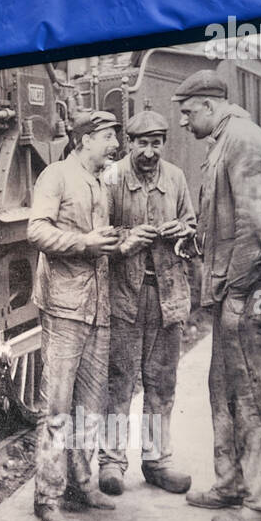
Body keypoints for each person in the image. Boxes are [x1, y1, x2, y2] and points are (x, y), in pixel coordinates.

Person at [173, 70, 261, 521]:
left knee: (250, 392)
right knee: (223, 386)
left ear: (209, 104)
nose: (182, 122)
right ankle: (231, 483)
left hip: (249, 286)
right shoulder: (225, 139)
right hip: (231, 286)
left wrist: (232, 287)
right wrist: (196, 240)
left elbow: (255, 227)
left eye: (186, 111)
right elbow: (225, 217)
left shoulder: (244, 141)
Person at [26, 109, 122, 521]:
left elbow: (99, 243)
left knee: (91, 404)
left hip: (97, 308)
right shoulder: (56, 176)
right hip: (65, 308)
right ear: (85, 139)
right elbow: (36, 231)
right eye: (108, 136)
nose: (115, 144)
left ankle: (83, 484)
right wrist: (84, 242)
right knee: (58, 407)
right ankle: (48, 497)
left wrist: (121, 242)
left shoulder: (101, 182)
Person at [99, 110, 196, 496]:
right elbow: (96, 233)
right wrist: (127, 237)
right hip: (124, 295)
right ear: (129, 144)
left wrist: (182, 231)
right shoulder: (112, 178)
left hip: (166, 296)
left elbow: (192, 227)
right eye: (142, 143)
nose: (150, 152)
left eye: (156, 144)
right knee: (118, 381)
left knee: (161, 382)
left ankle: (157, 461)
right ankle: (111, 462)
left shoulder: (175, 178)